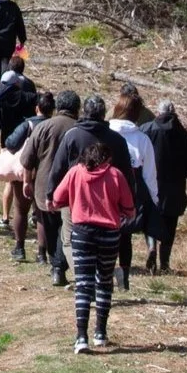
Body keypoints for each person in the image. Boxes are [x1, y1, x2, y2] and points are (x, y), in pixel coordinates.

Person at [51, 136, 137, 352]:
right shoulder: (116, 175)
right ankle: (101, 332)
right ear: (106, 158)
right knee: (104, 281)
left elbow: (56, 200)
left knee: (83, 284)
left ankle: (81, 337)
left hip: (82, 234)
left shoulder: (75, 173)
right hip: (109, 234)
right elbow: (129, 208)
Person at [0, 56, 41, 255]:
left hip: (10, 145)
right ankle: (35, 215)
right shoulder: (30, 94)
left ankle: (5, 217)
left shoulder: (1, 102)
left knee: (11, 183)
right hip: (31, 142)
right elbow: (41, 105)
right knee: (34, 180)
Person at [21, 91, 82, 286]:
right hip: (73, 189)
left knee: (51, 226)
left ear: (57, 107)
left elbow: (27, 159)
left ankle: (56, 265)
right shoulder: (80, 129)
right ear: (77, 109)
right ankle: (59, 266)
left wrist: (26, 181)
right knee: (66, 229)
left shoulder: (44, 126)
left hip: (44, 185)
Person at [142, 101, 187, 273]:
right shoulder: (184, 135)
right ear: (174, 113)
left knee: (150, 220)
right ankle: (164, 264)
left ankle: (151, 248)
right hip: (175, 188)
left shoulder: (147, 130)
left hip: (151, 184)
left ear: (158, 112)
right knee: (170, 224)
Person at [107, 85, 159, 290]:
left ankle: (106, 277)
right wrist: (153, 199)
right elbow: (150, 174)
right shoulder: (142, 138)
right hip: (131, 189)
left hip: (105, 189)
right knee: (125, 236)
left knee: (107, 235)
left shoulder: (106, 132)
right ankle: (124, 280)